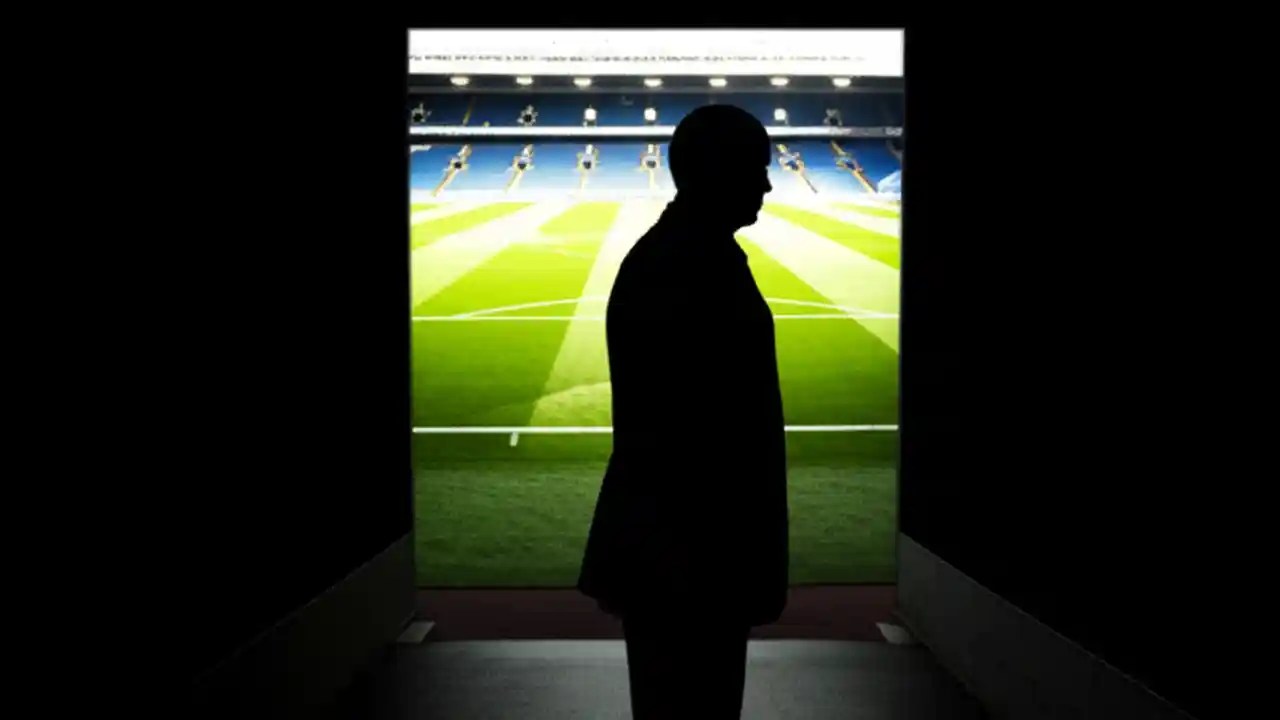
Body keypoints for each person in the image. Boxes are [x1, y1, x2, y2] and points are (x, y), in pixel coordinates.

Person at [577, 104, 787, 719]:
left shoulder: (685, 254)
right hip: (692, 557)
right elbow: (705, 439)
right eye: (757, 168)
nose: (768, 185)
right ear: (719, 170)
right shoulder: (690, 265)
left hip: (681, 552)